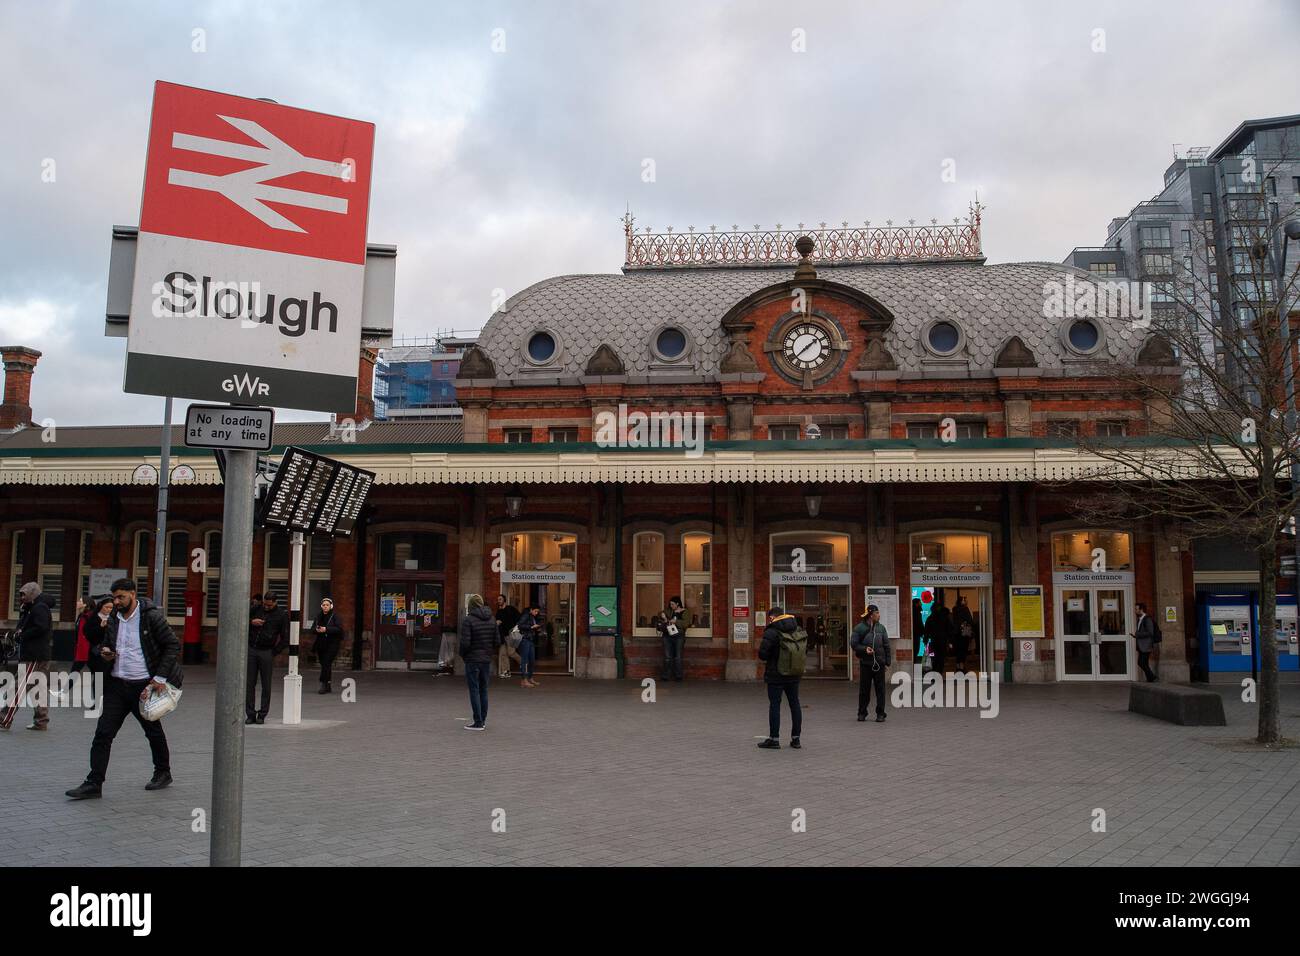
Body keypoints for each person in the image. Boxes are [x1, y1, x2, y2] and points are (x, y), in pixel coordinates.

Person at [65, 577, 181, 799]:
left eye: (121, 597)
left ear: (133, 594)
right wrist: (105, 651)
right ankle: (94, 783)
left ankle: (163, 772)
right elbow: (104, 643)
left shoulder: (151, 617)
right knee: (103, 733)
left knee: (152, 731)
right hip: (117, 685)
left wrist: (158, 677)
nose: (116, 602)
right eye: (114, 597)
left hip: (143, 685)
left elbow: (172, 644)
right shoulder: (113, 619)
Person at [6, 582, 55, 731]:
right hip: (39, 654)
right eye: (20, 594)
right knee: (38, 688)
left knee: (19, 686)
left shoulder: (39, 608)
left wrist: (22, 635)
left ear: (33, 593)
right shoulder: (31, 607)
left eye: (24, 594)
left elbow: (41, 627)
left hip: (34, 654)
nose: (21, 597)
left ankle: (4, 718)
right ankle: (41, 721)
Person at [757, 605, 803, 749]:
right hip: (794, 673)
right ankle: (796, 739)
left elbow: (763, 654)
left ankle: (774, 739)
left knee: (775, 705)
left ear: (772, 617)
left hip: (776, 674)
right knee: (795, 704)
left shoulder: (771, 632)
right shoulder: (797, 629)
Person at [458, 594, 500, 730]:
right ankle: (483, 719)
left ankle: (478, 721)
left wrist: (463, 656)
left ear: (471, 605)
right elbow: (497, 641)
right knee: (483, 689)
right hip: (486, 660)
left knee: (474, 690)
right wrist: (488, 652)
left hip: (472, 659)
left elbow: (465, 643)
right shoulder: (492, 619)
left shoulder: (468, 620)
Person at [246, 591, 288, 724]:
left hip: (267, 651)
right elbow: (240, 620)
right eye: (265, 604)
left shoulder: (281, 615)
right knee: (249, 684)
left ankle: (262, 714)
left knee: (266, 685)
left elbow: (285, 637)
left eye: (269, 605)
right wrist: (252, 622)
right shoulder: (256, 609)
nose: (266, 607)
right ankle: (250, 713)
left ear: (275, 602)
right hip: (252, 648)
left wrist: (274, 652)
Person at [851, 604, 891, 722]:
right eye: (877, 613)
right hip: (866, 663)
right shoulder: (859, 628)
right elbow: (854, 644)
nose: (879, 615)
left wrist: (887, 662)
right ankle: (862, 713)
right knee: (864, 690)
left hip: (879, 663)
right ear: (871, 615)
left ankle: (880, 713)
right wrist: (864, 649)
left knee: (880, 690)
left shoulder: (881, 628)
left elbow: (886, 645)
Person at [309, 597, 344, 695]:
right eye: (323, 605)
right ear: (321, 606)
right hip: (321, 643)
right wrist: (317, 630)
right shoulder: (318, 616)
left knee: (326, 662)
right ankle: (328, 684)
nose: (325, 607)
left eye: (327, 605)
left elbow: (339, 629)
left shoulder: (335, 616)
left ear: (331, 606)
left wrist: (326, 629)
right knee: (324, 664)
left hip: (332, 643)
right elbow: (312, 629)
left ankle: (323, 683)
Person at [658, 596, 692, 682]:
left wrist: (676, 621)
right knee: (667, 657)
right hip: (667, 635)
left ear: (677, 604)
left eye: (673, 604)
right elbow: (660, 614)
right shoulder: (668, 610)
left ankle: (678, 676)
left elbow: (686, 623)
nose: (671, 606)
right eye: (670, 604)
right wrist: (663, 617)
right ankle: (665, 675)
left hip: (679, 636)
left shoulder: (685, 611)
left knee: (678, 656)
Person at [924, 595, 955, 675]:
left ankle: (934, 672)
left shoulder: (930, 618)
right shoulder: (945, 617)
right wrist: (950, 640)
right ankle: (939, 673)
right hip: (942, 641)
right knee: (941, 657)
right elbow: (950, 629)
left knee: (934, 657)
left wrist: (925, 640)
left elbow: (926, 630)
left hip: (933, 641)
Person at [514, 604, 543, 687]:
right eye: (535, 611)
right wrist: (531, 627)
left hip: (530, 640)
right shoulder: (526, 615)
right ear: (531, 609)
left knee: (532, 660)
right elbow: (519, 625)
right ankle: (524, 680)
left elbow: (530, 628)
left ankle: (530, 678)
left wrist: (536, 628)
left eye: (537, 611)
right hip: (525, 640)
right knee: (525, 660)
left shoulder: (533, 617)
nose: (536, 613)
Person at [495, 594, 522, 678]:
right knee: (503, 654)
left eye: (500, 599)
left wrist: (516, 628)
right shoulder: (498, 612)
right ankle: (506, 672)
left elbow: (519, 618)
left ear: (504, 600)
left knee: (511, 652)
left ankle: (523, 663)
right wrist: (497, 622)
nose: (498, 601)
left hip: (510, 635)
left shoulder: (511, 609)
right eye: (498, 599)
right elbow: (497, 622)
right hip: (502, 636)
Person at [1134, 602, 1159, 682]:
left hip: (1146, 645)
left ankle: (1152, 677)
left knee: (1141, 662)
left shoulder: (1147, 619)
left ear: (1141, 610)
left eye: (1136, 609)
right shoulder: (1140, 619)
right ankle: (1150, 678)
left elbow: (1150, 632)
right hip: (1142, 645)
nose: (1135, 611)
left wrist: (1138, 634)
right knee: (1143, 662)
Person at [952, 596, 975, 672]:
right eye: (964, 600)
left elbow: (954, 621)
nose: (965, 601)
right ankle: (962, 667)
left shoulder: (954, 609)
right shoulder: (965, 609)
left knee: (958, 650)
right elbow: (970, 620)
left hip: (956, 632)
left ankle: (958, 666)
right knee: (963, 650)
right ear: (961, 601)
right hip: (964, 632)